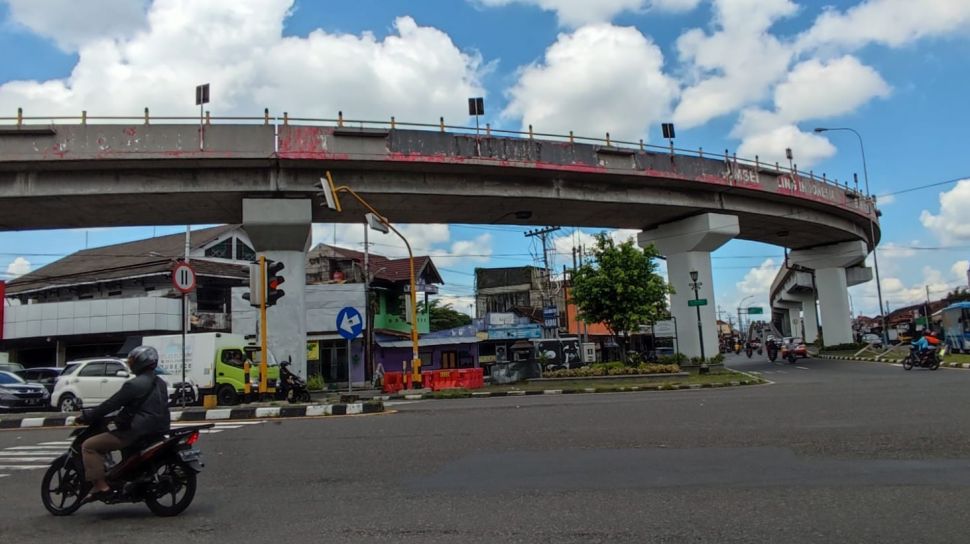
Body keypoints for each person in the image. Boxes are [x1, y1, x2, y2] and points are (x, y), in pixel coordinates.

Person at [77, 346, 171, 501]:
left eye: (132, 361)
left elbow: (111, 404)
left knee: (89, 446)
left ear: (140, 362)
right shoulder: (160, 382)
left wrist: (89, 415)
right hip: (158, 430)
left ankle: (102, 487)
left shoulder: (133, 384)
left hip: (136, 432)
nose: (129, 363)